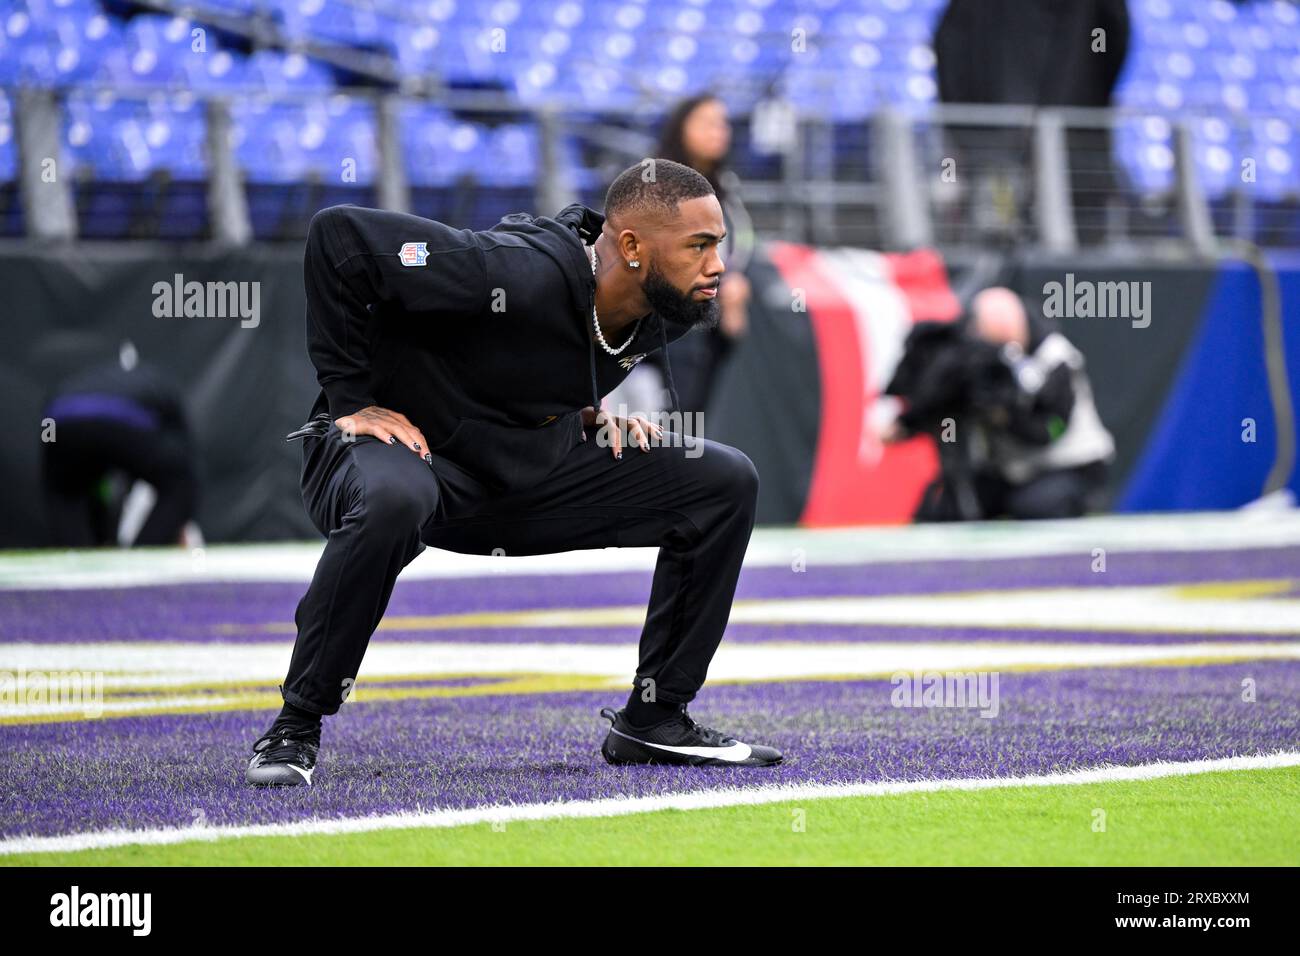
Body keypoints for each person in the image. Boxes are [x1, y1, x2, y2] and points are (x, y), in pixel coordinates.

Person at [245, 159, 782, 786]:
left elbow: (527, 361)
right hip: (403, 460)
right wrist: (349, 399)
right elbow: (340, 235)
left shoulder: (665, 302)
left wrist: (586, 415)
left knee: (721, 482)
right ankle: (296, 724)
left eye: (718, 244)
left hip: (518, 475)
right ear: (631, 247)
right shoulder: (513, 270)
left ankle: (655, 719)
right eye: (701, 245)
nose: (718, 263)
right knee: (394, 499)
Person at [883, 287, 1114, 520]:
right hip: (1010, 472)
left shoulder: (1056, 359)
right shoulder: (978, 363)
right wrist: (908, 423)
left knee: (1035, 506)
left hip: (1070, 466)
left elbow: (1053, 429)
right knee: (944, 508)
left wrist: (1006, 414)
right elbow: (947, 409)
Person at [609, 93, 756, 420]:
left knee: (694, 423)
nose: (719, 132)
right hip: (665, 327)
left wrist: (731, 283)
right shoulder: (654, 183)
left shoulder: (726, 187)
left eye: (723, 124)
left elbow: (736, 245)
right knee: (661, 425)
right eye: (707, 123)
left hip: (707, 326)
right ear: (680, 129)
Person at [41, 344, 200, 547]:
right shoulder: (158, 384)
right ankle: (140, 559)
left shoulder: (86, 380)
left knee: (63, 490)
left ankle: (76, 556)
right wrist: (180, 519)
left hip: (55, 422)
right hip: (114, 421)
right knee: (181, 485)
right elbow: (183, 463)